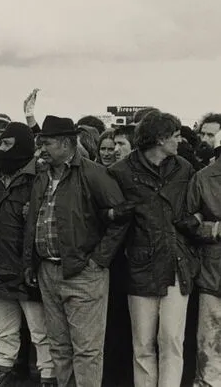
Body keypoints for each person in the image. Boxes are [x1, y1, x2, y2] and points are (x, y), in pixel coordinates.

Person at [108, 111, 216, 387]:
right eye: (176, 136)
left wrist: (199, 222)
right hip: (139, 267)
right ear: (159, 139)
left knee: (172, 341)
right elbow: (108, 216)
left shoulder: (184, 167)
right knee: (142, 344)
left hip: (177, 265)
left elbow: (194, 210)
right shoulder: (121, 172)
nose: (181, 140)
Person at [23, 115, 130, 387]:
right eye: (40, 143)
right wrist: (30, 263)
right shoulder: (41, 176)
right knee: (59, 347)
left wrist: (98, 260)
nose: (41, 149)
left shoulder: (94, 173)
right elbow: (34, 220)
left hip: (83, 274)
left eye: (46, 143)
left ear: (67, 143)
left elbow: (121, 217)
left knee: (87, 350)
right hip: (48, 270)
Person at [0, 122, 55, 387]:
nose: (0, 148)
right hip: (1, 261)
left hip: (29, 263)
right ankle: (3, 372)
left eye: (7, 144)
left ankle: (47, 377)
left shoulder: (41, 174)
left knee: (40, 330)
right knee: (4, 328)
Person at [185, 141, 221, 386]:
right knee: (209, 348)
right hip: (212, 274)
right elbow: (187, 222)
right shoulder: (203, 178)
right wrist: (215, 229)